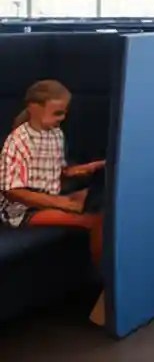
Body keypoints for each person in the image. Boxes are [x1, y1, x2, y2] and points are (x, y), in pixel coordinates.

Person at [1, 80, 106, 323]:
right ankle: (105, 287)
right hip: (21, 211)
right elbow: (12, 191)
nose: (62, 117)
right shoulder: (17, 142)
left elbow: (59, 172)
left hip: (50, 198)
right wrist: (62, 204)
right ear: (34, 108)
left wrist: (89, 168)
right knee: (95, 220)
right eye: (57, 112)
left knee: (103, 200)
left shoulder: (55, 134)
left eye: (64, 113)